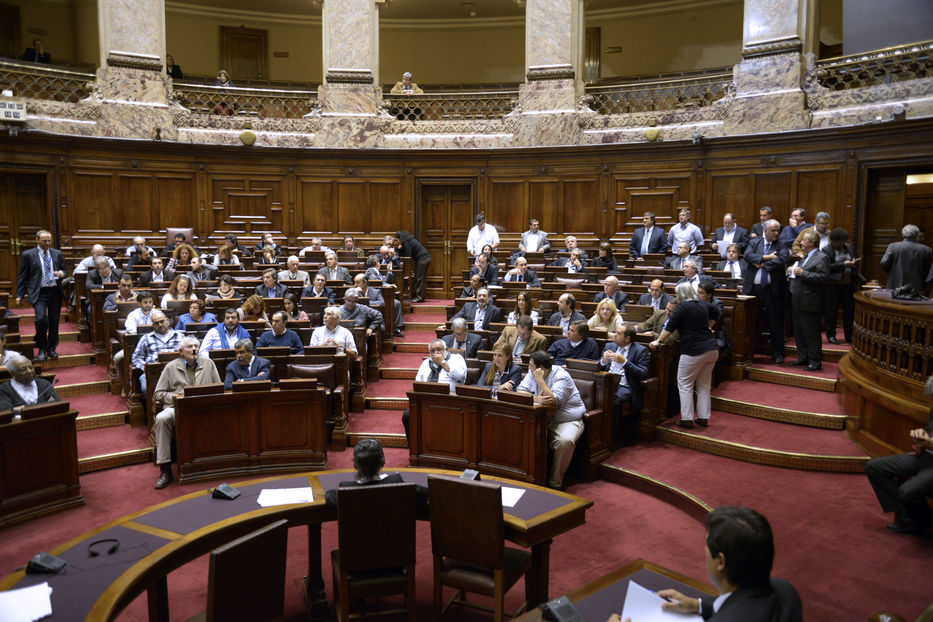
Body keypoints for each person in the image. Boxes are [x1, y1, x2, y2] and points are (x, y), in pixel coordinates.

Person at [610, 506, 802, 622]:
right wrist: (698, 605)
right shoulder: (786, 590)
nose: (704, 550)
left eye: (707, 545)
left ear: (721, 561)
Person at [865, 375, 933, 535]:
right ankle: (910, 518)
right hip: (924, 456)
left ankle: (924, 522)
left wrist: (930, 444)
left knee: (906, 491)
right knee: (874, 467)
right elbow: (928, 431)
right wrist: (920, 435)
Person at [152, 336, 221, 488]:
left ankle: (218, 462)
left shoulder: (208, 363)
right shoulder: (171, 367)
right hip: (177, 408)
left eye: (196, 346)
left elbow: (218, 388)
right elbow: (158, 394)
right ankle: (165, 469)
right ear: (181, 351)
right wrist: (178, 397)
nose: (194, 349)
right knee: (162, 418)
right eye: (190, 347)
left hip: (203, 408)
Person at [652, 282, 720, 428]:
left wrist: (658, 341)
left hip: (693, 350)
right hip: (712, 349)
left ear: (681, 294)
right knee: (703, 385)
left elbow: (670, 327)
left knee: (684, 384)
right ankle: (703, 417)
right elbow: (716, 311)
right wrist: (709, 326)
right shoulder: (702, 303)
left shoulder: (683, 306)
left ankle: (687, 419)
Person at [517, 352, 585, 489]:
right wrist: (537, 398)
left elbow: (553, 401)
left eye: (531, 366)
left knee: (565, 441)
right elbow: (520, 391)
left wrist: (540, 381)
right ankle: (526, 477)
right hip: (542, 419)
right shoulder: (532, 373)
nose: (529, 368)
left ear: (540, 368)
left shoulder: (562, 376)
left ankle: (555, 483)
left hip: (567, 420)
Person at [324, 438, 428, 508]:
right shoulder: (397, 483)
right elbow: (425, 493)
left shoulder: (344, 490)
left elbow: (328, 495)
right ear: (383, 461)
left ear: (355, 465)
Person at [743, 219, 789, 364]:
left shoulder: (782, 244)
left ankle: (777, 353)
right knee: (751, 321)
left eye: (778, 231)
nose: (776, 233)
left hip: (773, 289)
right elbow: (747, 255)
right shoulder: (755, 242)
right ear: (765, 231)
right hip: (754, 289)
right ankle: (749, 351)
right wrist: (767, 257)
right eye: (773, 230)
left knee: (775, 321)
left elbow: (782, 259)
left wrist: (762, 264)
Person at [401, 339, 467, 439]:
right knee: (407, 415)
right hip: (427, 401)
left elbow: (461, 376)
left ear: (446, 349)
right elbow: (418, 383)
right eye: (432, 351)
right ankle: (414, 446)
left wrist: (443, 362)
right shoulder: (425, 363)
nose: (436, 353)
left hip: (451, 401)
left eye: (439, 349)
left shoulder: (456, 358)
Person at [16, 230, 65, 362]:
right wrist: (19, 294)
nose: (48, 243)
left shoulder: (57, 253)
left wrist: (62, 273)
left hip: (55, 291)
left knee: (54, 321)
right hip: (39, 292)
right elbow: (22, 276)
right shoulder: (28, 255)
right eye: (44, 241)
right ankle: (42, 348)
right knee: (41, 319)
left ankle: (51, 349)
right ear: (37, 240)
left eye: (49, 241)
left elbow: (63, 269)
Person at [787, 228, 830, 371]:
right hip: (798, 300)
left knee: (811, 333)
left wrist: (803, 273)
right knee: (799, 332)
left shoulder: (821, 257)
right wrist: (791, 272)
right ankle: (803, 357)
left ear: (811, 243)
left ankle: (815, 361)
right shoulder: (804, 257)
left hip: (811, 301)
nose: (801, 243)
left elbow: (823, 277)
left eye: (804, 240)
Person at [600, 324, 651, 443]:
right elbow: (598, 366)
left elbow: (643, 373)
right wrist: (603, 360)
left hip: (625, 386)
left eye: (618, 333)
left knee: (612, 399)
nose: (614, 335)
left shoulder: (640, 350)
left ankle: (610, 439)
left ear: (627, 338)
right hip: (606, 383)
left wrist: (625, 362)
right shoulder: (609, 346)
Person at [131, 310, 183, 398]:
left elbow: (186, 355)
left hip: (177, 372)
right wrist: (146, 367)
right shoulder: (146, 338)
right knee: (145, 389)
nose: (160, 324)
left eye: (162, 321)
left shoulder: (180, 336)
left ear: (167, 321)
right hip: (153, 373)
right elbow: (136, 358)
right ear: (153, 325)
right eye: (156, 323)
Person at [823, 227, 859, 344]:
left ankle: (849, 336)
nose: (843, 243)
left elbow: (854, 261)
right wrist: (843, 265)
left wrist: (853, 264)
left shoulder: (849, 249)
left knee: (849, 311)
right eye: (841, 241)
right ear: (833, 241)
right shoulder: (826, 250)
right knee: (831, 311)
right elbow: (827, 267)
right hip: (832, 285)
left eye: (844, 241)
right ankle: (831, 335)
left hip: (848, 285)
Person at [881, 224, 931, 292]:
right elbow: (927, 269)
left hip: (894, 285)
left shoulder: (892, 246)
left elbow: (884, 263)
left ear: (903, 234)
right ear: (916, 234)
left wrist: (893, 272)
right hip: (916, 287)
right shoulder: (926, 250)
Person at [397, 230, 431, 303]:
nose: (397, 242)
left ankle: (419, 297)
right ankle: (417, 296)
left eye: (397, 240)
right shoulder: (409, 240)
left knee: (419, 278)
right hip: (421, 259)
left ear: (400, 238)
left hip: (423, 259)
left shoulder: (407, 242)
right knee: (417, 277)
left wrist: (400, 249)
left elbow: (407, 256)